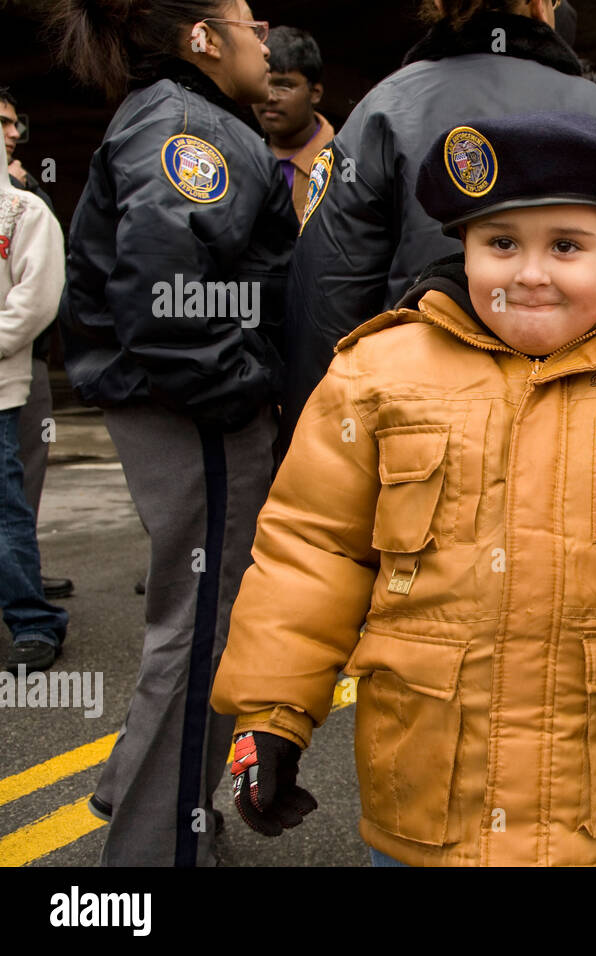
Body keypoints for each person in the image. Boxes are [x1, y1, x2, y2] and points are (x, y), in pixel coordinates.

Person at [211, 112, 596, 867]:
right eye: (501, 243)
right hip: (425, 809)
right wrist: (270, 716)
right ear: (463, 248)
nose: (529, 272)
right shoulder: (375, 376)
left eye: (566, 246)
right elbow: (314, 550)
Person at [52, 0, 298, 864]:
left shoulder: (179, 116)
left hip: (178, 401)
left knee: (191, 621)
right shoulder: (192, 128)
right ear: (203, 36)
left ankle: (138, 793)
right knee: (201, 634)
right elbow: (166, 298)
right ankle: (159, 854)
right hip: (196, 409)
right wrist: (246, 391)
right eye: (247, 19)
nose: (263, 34)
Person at [278, 0, 596, 443]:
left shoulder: (381, 112)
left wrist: (319, 445)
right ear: (543, 5)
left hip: (415, 437)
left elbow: (327, 305)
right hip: (584, 441)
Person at [0, 129, 68, 674]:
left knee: (5, 510)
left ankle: (33, 621)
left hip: (1, 392)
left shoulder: (23, 211)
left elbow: (36, 299)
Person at [251, 27, 334, 223]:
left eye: (284, 85)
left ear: (315, 93)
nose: (270, 97)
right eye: (263, 82)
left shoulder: (345, 161)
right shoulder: (242, 157)